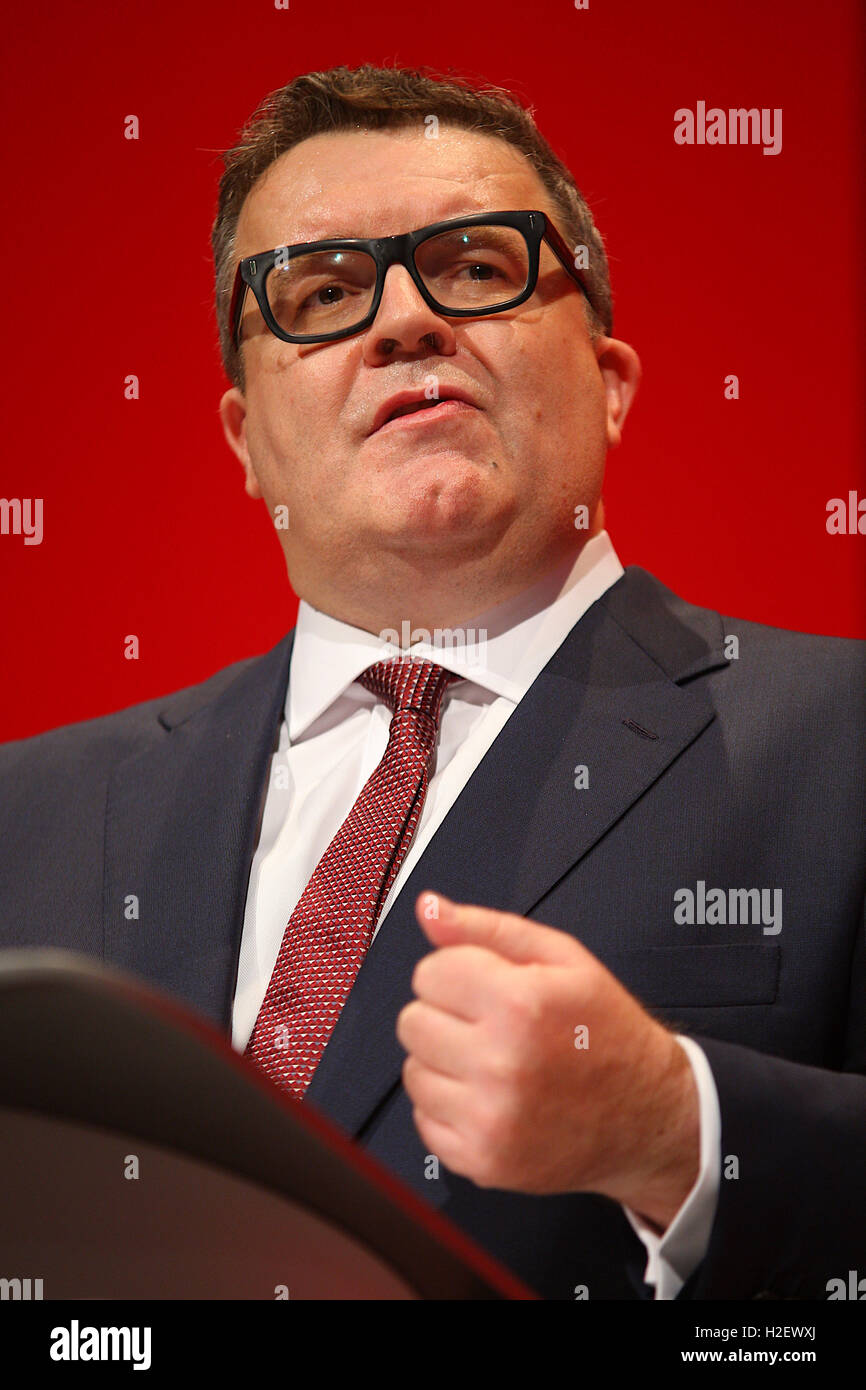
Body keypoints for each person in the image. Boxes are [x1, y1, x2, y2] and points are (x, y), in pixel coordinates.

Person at [1, 64, 864, 1302]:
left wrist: (683, 1132)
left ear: (610, 382)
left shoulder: (839, 742)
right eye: (321, 291)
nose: (404, 321)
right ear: (246, 439)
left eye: (474, 266)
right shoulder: (24, 815)